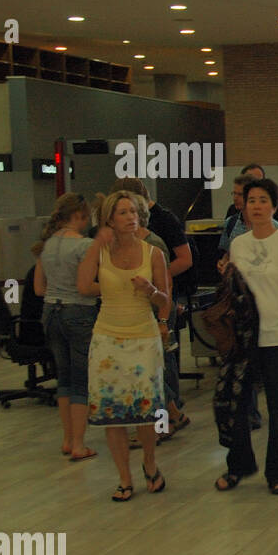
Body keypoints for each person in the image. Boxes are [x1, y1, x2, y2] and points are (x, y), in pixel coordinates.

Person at [76, 191, 170, 502]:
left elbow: (166, 301)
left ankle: (149, 462)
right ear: (109, 220)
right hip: (107, 337)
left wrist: (151, 290)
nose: (130, 217)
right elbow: (83, 286)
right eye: (122, 213)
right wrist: (107, 281)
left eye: (133, 211)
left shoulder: (153, 253)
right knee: (111, 412)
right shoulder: (99, 251)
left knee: (144, 409)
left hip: (143, 337)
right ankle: (124, 478)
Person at [218, 175, 278, 495]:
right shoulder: (239, 244)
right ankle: (237, 466)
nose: (256, 206)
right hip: (244, 338)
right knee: (236, 406)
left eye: (263, 201)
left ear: (274, 206)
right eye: (250, 200)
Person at [111, 178, 191, 434]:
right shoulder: (118, 244)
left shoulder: (157, 237)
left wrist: (163, 316)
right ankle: (171, 416)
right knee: (147, 371)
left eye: (127, 210)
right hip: (133, 315)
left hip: (155, 312)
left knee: (158, 370)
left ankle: (165, 420)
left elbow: (181, 265)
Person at [32, 193, 98, 462]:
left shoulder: (46, 245)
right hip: (79, 311)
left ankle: (68, 440)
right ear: (80, 216)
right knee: (82, 379)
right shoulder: (86, 246)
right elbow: (89, 284)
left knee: (65, 378)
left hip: (50, 312)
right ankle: (81, 444)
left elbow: (39, 289)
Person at [218, 173, 278, 266]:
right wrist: (223, 262)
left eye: (240, 194)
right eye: (234, 193)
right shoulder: (231, 223)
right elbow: (228, 253)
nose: (235, 198)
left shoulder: (276, 229)